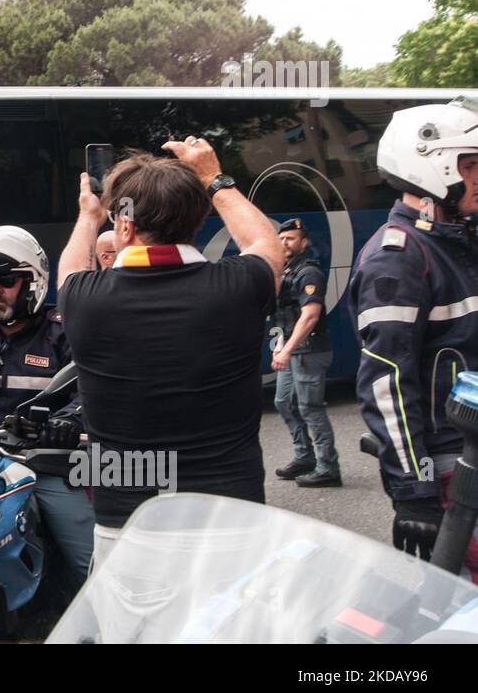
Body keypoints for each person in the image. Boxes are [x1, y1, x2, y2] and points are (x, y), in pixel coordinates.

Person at [56, 138, 283, 569]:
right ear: (196, 220)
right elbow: (265, 244)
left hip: (127, 522)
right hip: (231, 518)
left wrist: (89, 215)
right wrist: (213, 178)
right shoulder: (238, 286)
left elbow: (70, 266)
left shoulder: (83, 299)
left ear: (124, 226)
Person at [349, 98, 478, 575]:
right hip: (454, 464)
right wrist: (413, 491)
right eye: (470, 164)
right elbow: (386, 382)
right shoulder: (399, 257)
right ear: (432, 167)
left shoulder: (459, 240)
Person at [0, 225, 95, 588]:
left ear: (32, 282)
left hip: (42, 464)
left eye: (5, 280)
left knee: (90, 565)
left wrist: (69, 418)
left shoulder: (61, 332)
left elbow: (92, 387)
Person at [270, 217, 340, 487]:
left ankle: (328, 467)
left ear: (304, 242)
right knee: (283, 402)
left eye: (290, 238)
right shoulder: (287, 271)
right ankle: (305, 457)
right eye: (281, 239)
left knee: (311, 408)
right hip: (292, 348)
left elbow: (310, 317)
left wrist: (286, 350)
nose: (284, 243)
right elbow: (283, 315)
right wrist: (279, 345)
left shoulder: (309, 272)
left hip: (310, 350)